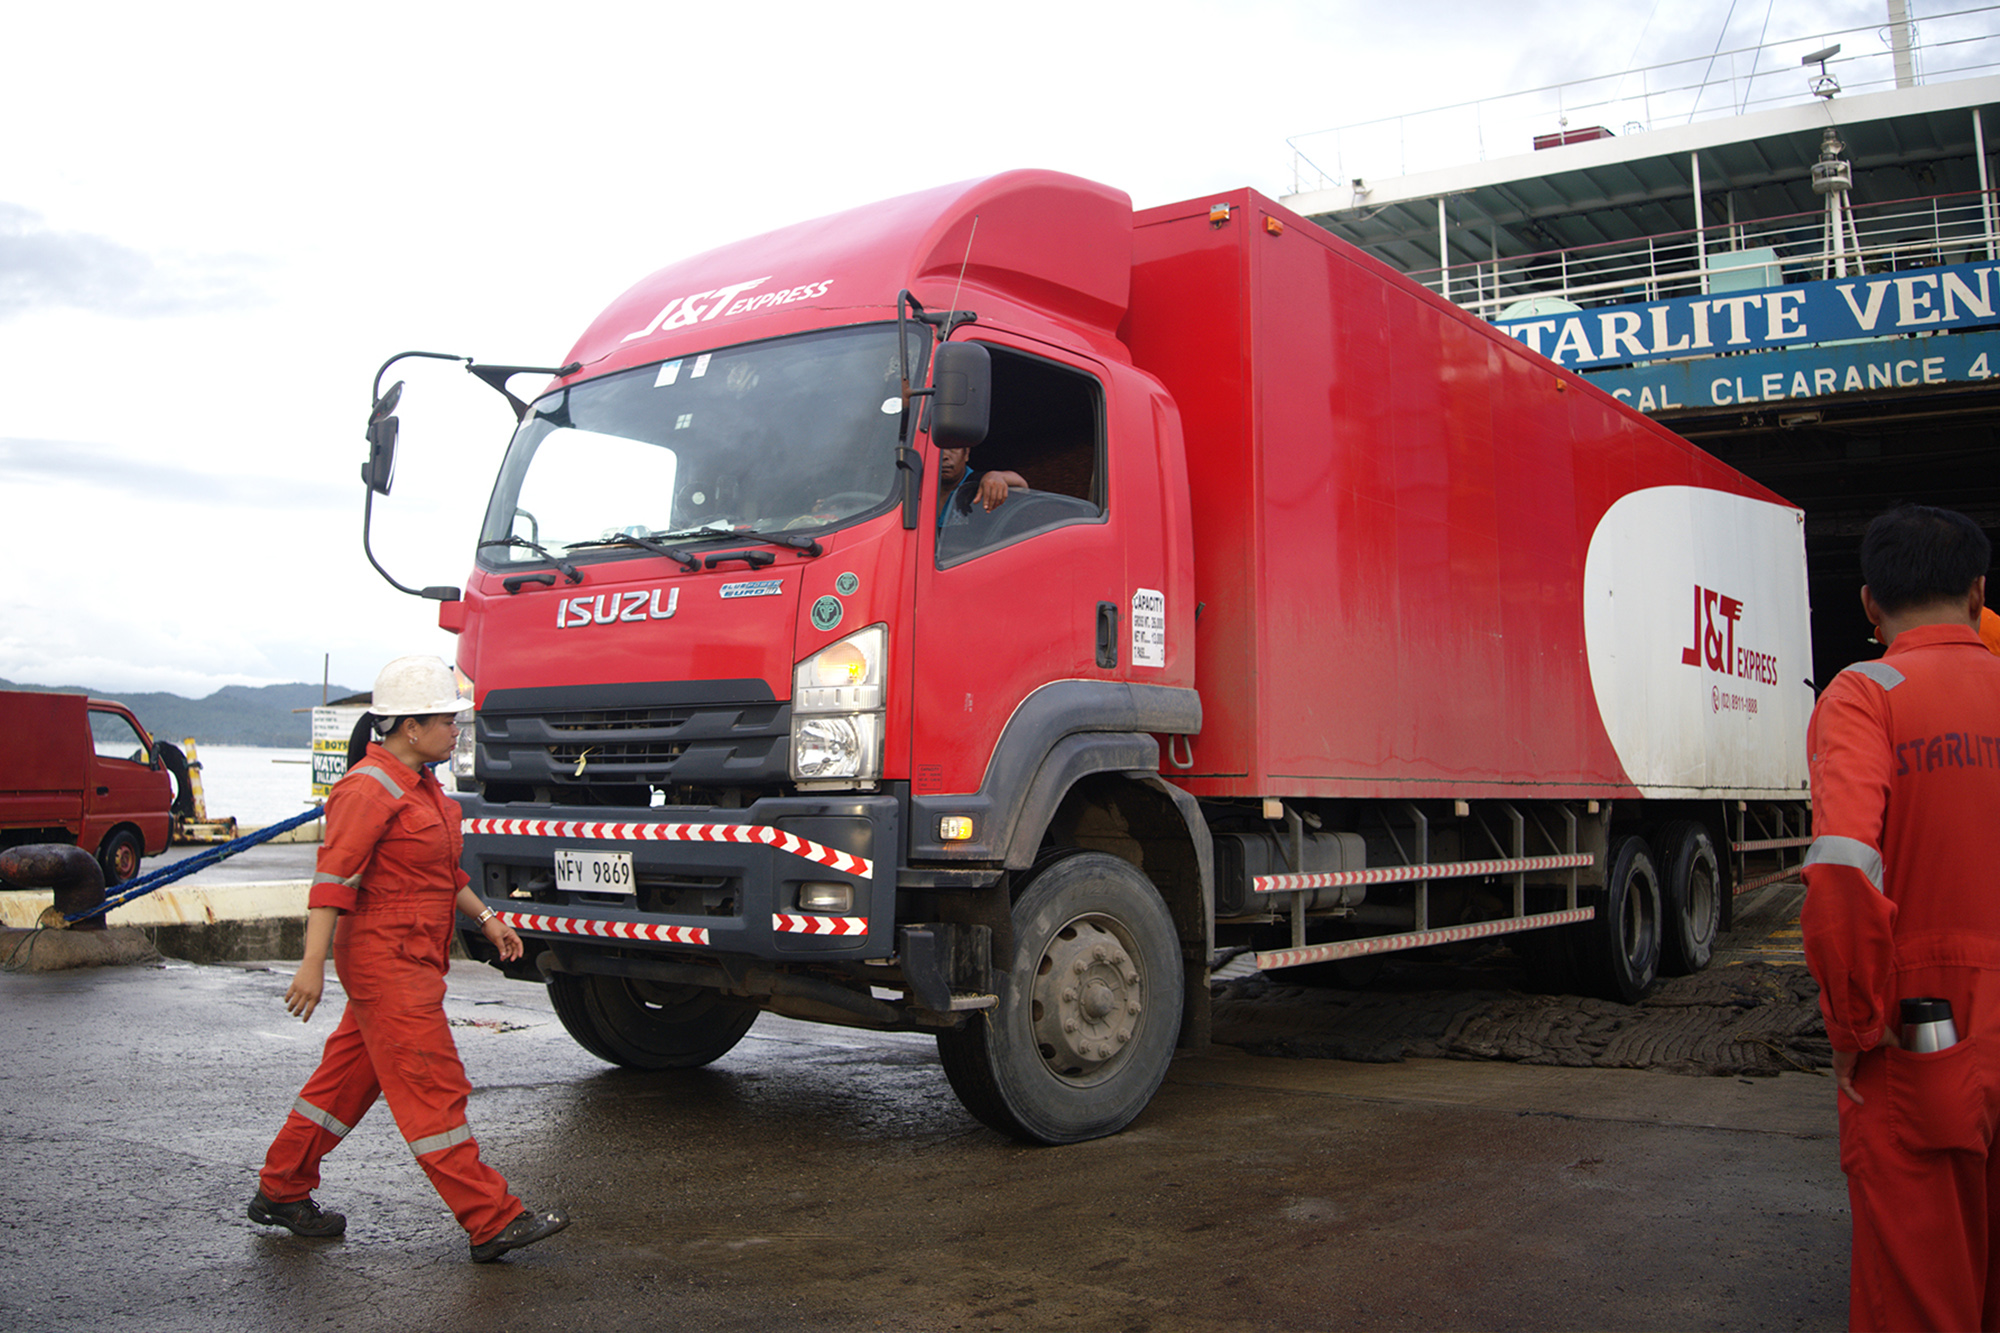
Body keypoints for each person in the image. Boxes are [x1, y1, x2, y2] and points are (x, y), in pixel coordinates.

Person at [248, 655, 570, 1264]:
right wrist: (311, 964)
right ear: (409, 729)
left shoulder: (422, 788)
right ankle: (491, 1218)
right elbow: (332, 882)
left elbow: (441, 872)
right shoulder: (367, 790)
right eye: (447, 722)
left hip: (415, 955)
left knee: (346, 1081)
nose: (456, 731)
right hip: (384, 959)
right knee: (432, 1085)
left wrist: (487, 918)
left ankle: (281, 1188)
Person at [1801, 504, 2000, 1331]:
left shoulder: (1865, 694)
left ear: (1870, 603)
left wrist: (1854, 1021)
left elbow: (1845, 864)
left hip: (1925, 1026)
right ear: (1978, 591)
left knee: (1921, 1284)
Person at [936, 444, 1025, 528]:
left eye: (953, 448)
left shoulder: (980, 484)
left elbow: (1021, 485)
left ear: (966, 453)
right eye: (937, 449)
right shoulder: (923, 489)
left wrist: (996, 476)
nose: (944, 456)